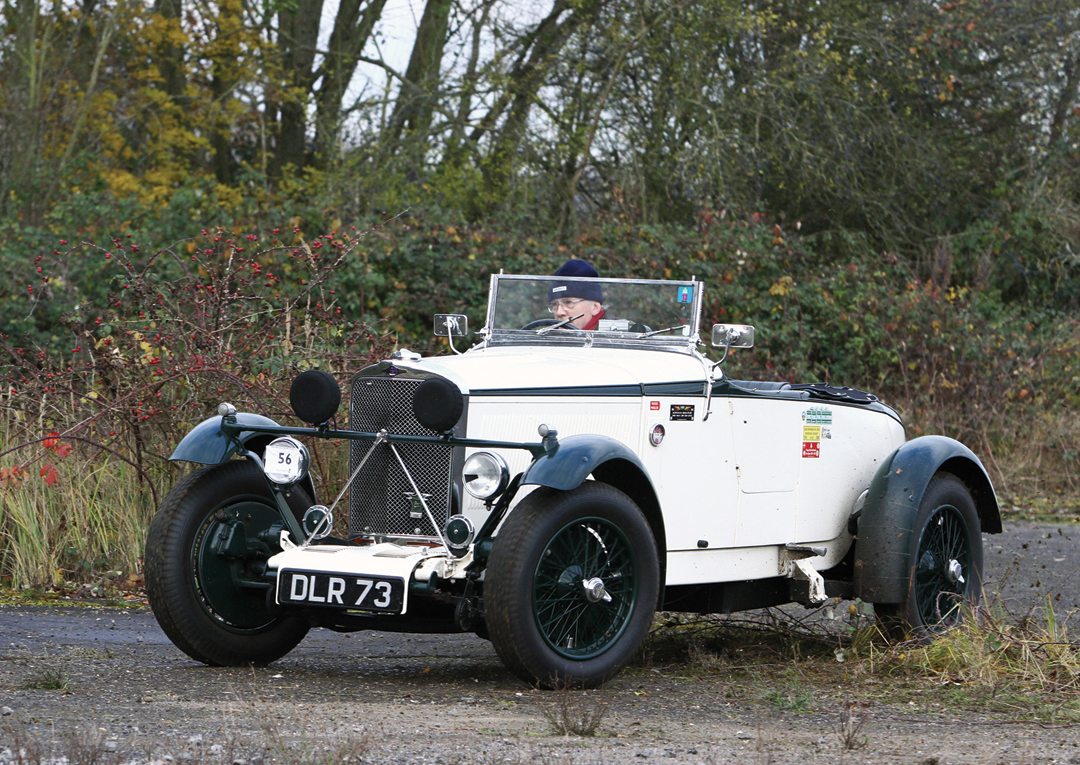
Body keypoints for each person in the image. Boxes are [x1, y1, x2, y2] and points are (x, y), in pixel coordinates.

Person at [547, 258, 606, 330]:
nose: (559, 312)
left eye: (568, 302)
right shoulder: (545, 333)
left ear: (595, 307)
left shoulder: (613, 335)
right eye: (554, 304)